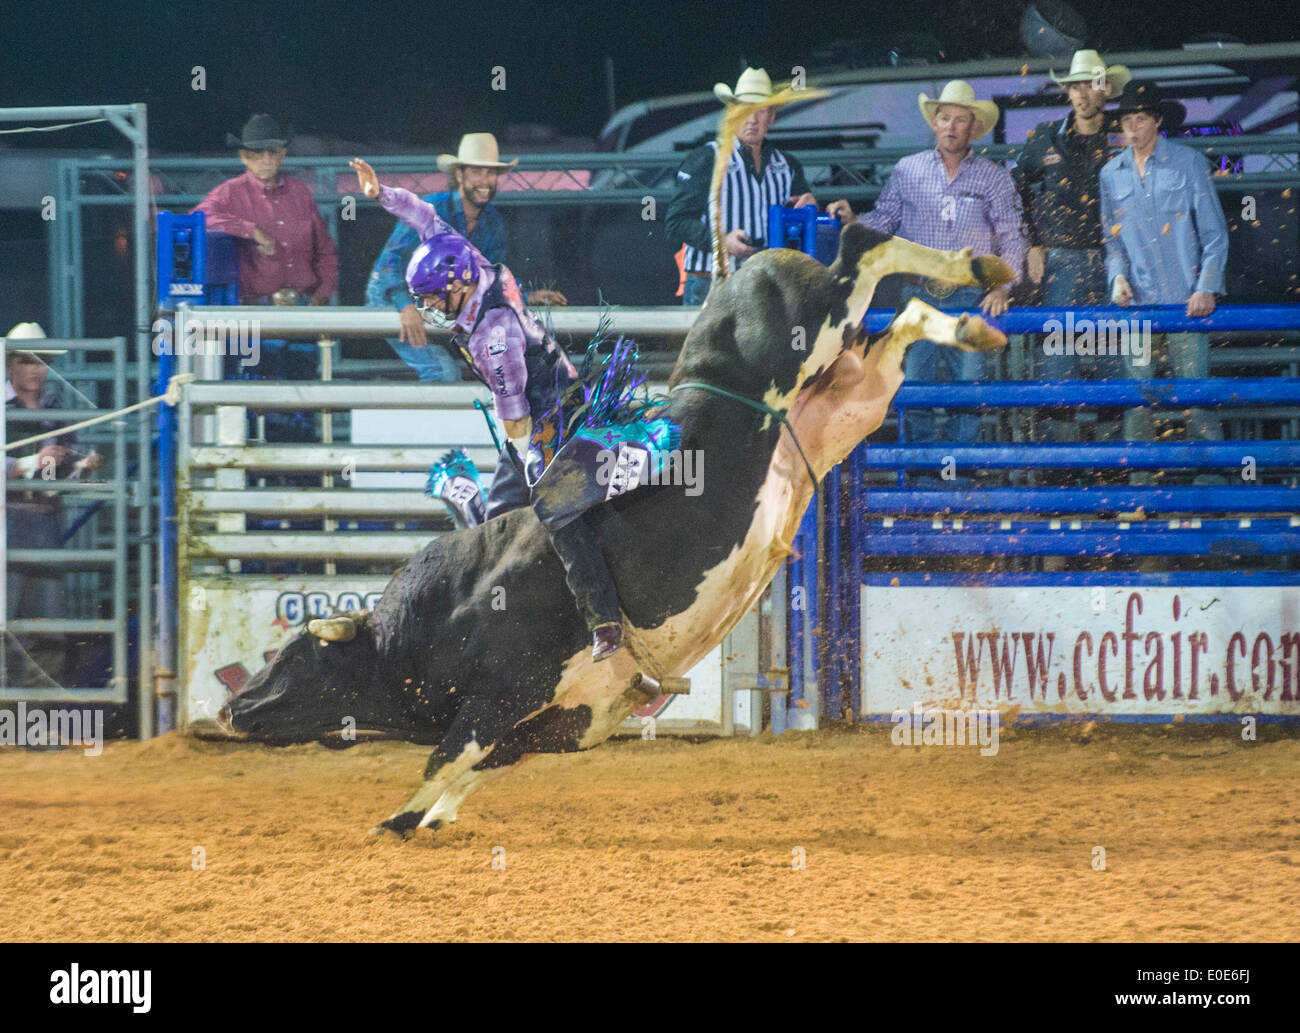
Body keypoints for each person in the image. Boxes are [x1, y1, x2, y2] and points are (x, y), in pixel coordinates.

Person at [350, 158, 625, 661]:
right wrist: (379, 193)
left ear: (456, 284)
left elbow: (515, 411)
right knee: (497, 526)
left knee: (557, 509)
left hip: (554, 413)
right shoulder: (467, 261)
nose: (431, 307)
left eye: (435, 298)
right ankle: (469, 497)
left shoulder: (491, 337)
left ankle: (603, 619)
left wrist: (534, 467)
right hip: (538, 405)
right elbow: (423, 216)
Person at [828, 80, 1027, 457]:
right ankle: (918, 478)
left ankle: (959, 478)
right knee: (915, 388)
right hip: (918, 294)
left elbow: (1012, 235)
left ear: (973, 127)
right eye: (945, 118)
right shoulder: (908, 170)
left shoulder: (994, 177)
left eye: (960, 120)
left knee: (966, 393)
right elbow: (885, 218)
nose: (951, 127)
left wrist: (1003, 287)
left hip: (970, 295)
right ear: (934, 123)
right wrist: (854, 220)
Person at [367, 133, 568, 382]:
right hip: (391, 296)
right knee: (441, 371)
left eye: (491, 173)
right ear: (460, 175)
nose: (485, 180)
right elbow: (390, 261)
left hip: (438, 303)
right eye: (477, 172)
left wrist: (527, 296)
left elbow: (491, 281)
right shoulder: (433, 209)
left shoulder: (492, 222)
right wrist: (404, 305)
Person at [1100, 81, 1230, 463]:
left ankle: (1212, 487)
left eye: (1140, 118)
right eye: (1127, 119)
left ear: (1157, 121)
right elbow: (1113, 243)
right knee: (1137, 400)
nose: (1133, 127)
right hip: (1138, 305)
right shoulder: (1110, 174)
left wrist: (1206, 287)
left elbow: (1214, 233)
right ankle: (1141, 490)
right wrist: (1117, 278)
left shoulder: (1188, 163)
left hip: (1186, 302)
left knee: (1197, 398)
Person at [193, 114, 339, 443]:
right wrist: (250, 230)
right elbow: (198, 218)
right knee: (262, 401)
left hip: (300, 310)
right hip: (254, 314)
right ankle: (269, 474)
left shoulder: (300, 193)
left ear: (283, 154)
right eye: (258, 153)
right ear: (243, 157)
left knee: (304, 396)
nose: (267, 159)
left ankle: (300, 471)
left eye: (272, 151)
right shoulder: (230, 193)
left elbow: (326, 251)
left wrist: (322, 295)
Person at [1015, 50, 1130, 448]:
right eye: (1076, 86)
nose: (1082, 94)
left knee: (1115, 365)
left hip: (1112, 262)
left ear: (1106, 90)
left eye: (1091, 85)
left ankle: (1111, 474)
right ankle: (1057, 472)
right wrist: (1031, 242)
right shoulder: (1045, 138)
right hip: (1061, 262)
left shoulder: (1124, 138)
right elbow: (1014, 188)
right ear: (1068, 92)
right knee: (1057, 367)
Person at [665, 68, 817, 306]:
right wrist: (721, 242)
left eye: (761, 110)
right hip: (712, 284)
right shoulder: (706, 159)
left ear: (772, 116)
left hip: (768, 285)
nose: (752, 119)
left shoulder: (787, 165)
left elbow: (799, 226)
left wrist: (808, 211)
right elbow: (676, 223)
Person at [4, 323, 102, 688]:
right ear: (11, 364)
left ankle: (39, 715)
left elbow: (66, 474)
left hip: (44, 519)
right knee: (6, 618)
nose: (35, 370)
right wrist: (34, 461)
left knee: (46, 621)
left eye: (41, 362)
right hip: (7, 519)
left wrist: (80, 466)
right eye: (28, 362)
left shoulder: (56, 410)